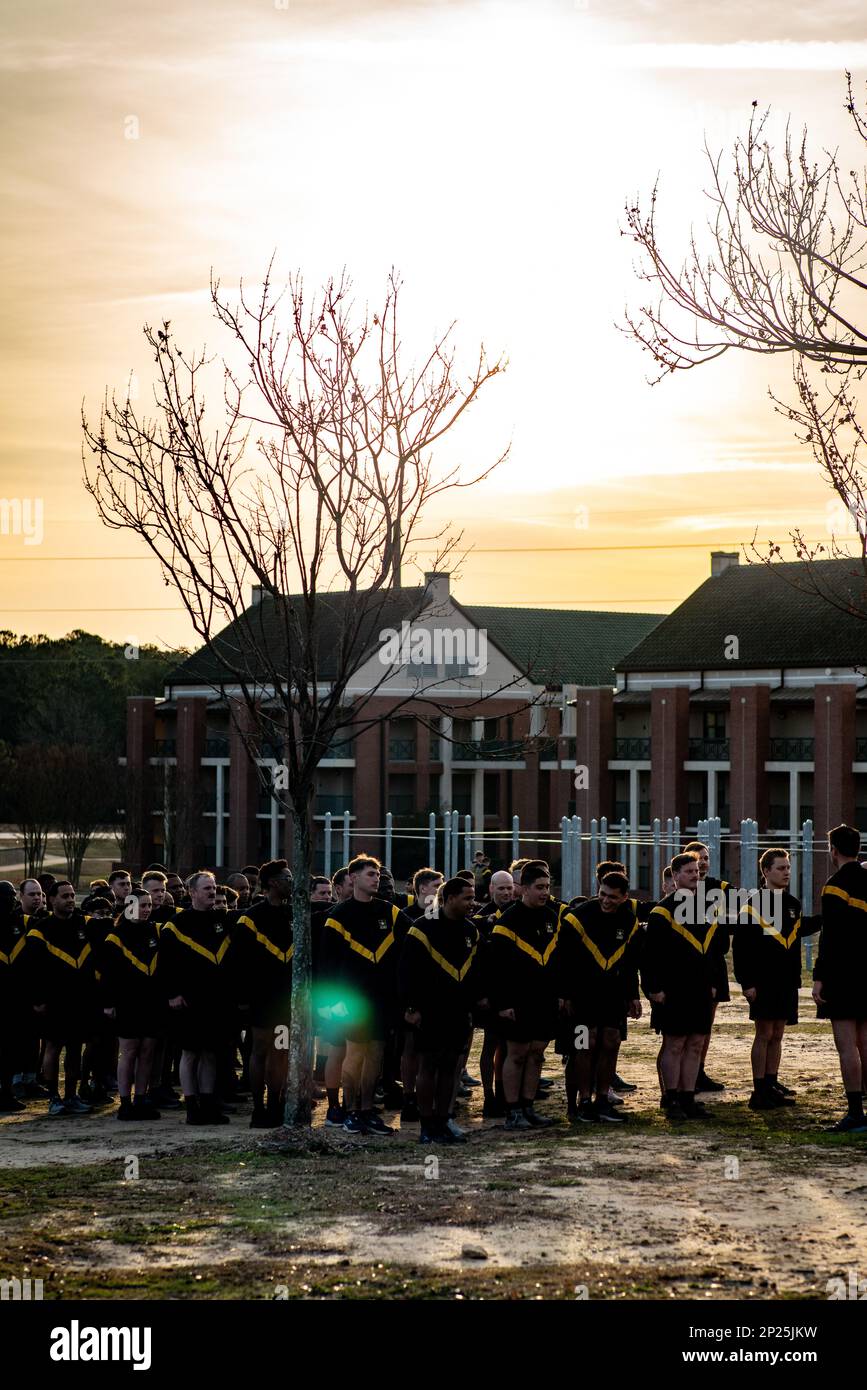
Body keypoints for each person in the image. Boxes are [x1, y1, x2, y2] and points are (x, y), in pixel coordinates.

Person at [318, 854, 412, 1136]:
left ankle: (368, 1110)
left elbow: (412, 940)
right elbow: (326, 964)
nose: (377, 878)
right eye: (371, 874)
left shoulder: (390, 912)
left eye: (378, 874)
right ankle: (350, 1111)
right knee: (355, 1053)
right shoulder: (338, 916)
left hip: (383, 998)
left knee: (375, 1055)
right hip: (351, 1001)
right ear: (353, 878)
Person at [733, 848, 820, 1110]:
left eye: (788, 868)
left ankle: (771, 1085)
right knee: (764, 1033)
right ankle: (758, 1090)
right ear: (766, 871)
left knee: (778, 1033)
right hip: (763, 981)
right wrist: (746, 982)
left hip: (786, 980)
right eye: (780, 868)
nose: (786, 873)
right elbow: (741, 947)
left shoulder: (792, 903)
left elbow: (797, 929)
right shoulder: (752, 905)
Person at [400, 877, 482, 1144]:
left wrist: (474, 1005)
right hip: (429, 1009)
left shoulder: (471, 930)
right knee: (429, 1064)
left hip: (458, 1010)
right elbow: (407, 972)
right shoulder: (422, 928)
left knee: (451, 1066)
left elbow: (474, 974)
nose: (472, 903)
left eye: (473, 897)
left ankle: (444, 1120)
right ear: (448, 899)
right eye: (467, 898)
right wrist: (410, 1007)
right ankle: (427, 1126)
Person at [558, 871, 643, 1123]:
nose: (606, 900)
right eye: (602, 894)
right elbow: (562, 961)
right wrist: (564, 995)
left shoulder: (629, 921)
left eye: (613, 897)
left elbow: (630, 964)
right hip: (581, 996)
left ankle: (602, 1099)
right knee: (585, 1044)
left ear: (625, 897)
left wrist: (633, 996)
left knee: (611, 1040)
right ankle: (583, 1102)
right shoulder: (577, 918)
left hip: (612, 996)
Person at [643, 852, 717, 1122]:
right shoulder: (662, 912)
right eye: (688, 871)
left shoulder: (706, 908)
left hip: (699, 989)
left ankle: (689, 1097)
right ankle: (671, 1097)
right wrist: (652, 989)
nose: (694, 875)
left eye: (696, 871)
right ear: (674, 876)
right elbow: (649, 956)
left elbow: (713, 953)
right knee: (675, 1044)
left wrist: (714, 985)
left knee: (696, 1043)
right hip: (672, 990)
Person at [157, 870, 234, 1125]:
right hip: (188, 1001)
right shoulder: (177, 925)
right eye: (206, 888)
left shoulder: (221, 920)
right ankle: (192, 1107)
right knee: (190, 1054)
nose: (212, 892)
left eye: (213, 888)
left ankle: (209, 1104)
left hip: (216, 1001)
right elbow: (165, 964)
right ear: (192, 893)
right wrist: (172, 994)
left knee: (211, 1053)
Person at [489, 860, 561, 1130]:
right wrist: (502, 1003)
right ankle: (512, 1110)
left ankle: (529, 1105)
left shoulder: (552, 918)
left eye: (547, 887)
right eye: (539, 887)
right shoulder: (508, 921)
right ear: (523, 889)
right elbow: (496, 968)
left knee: (537, 1052)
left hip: (544, 998)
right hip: (517, 1000)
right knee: (517, 1053)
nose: (545, 892)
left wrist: (561, 994)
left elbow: (558, 962)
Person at [24, 880, 97, 1116]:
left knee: (76, 1047)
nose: (69, 900)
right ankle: (53, 1096)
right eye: (64, 896)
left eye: (72, 895)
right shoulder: (40, 930)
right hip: (54, 1001)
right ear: (52, 899)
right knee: (54, 1047)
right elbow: (33, 970)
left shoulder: (84, 924)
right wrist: (38, 999)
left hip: (81, 1000)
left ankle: (72, 1095)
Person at [812, 824, 867, 1133]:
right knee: (866, 1042)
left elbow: (830, 937)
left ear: (833, 850)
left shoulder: (835, 886)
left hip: (844, 973)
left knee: (847, 1045)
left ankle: (855, 1112)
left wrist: (819, 977)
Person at [233, 859, 294, 1128]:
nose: (290, 882)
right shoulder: (250, 918)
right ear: (271, 882)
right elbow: (240, 962)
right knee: (259, 1050)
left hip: (287, 998)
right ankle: (258, 1107)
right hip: (261, 997)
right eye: (286, 878)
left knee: (281, 1051)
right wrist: (244, 1000)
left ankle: (276, 1103)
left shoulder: (294, 914)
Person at [99, 887, 163, 1120]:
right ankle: (125, 1102)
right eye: (141, 905)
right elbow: (107, 975)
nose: (146, 909)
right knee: (129, 1051)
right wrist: (109, 1003)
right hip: (127, 1002)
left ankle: (141, 1099)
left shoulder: (155, 931)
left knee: (147, 1052)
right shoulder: (115, 937)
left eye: (148, 905)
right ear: (128, 907)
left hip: (151, 1002)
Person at [683, 840, 731, 1093]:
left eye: (706, 858)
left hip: (714, 961)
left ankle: (698, 1071)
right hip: (690, 964)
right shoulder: (680, 890)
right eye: (697, 858)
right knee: (686, 1025)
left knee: (706, 1023)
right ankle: (683, 1076)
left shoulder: (718, 887)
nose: (702, 862)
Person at [472, 869, 514, 1116]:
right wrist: (481, 994)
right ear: (491, 890)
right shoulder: (481, 917)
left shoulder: (519, 914)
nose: (506, 893)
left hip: (512, 992)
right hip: (490, 993)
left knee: (509, 1047)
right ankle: (489, 1096)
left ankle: (505, 1094)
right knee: (490, 1045)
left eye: (509, 888)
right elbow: (476, 962)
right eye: (501, 888)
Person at [0, 881, 28, 1111]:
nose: (12, 900)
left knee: (10, 1050)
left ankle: (7, 1092)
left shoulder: (20, 923)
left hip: (15, 998)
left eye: (13, 895)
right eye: (7, 896)